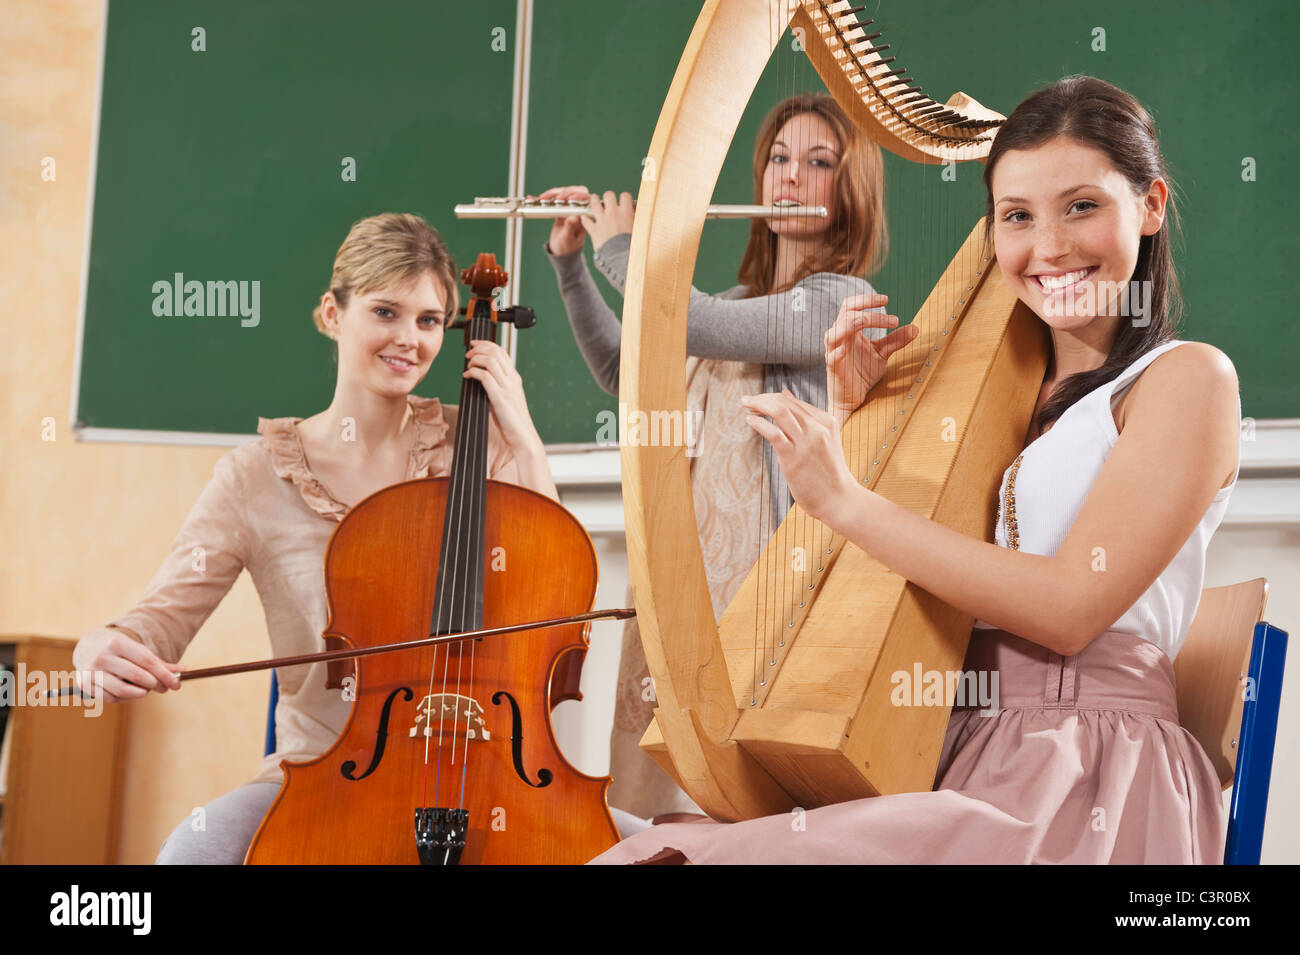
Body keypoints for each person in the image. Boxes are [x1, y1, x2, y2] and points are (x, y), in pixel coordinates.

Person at [590, 75, 1240, 864]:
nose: (1050, 247)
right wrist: (851, 414)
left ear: (1151, 204)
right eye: (1017, 217)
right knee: (655, 848)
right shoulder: (1010, 400)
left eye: (1082, 206)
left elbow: (1071, 606)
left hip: (1083, 771)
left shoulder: (1188, 380)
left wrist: (850, 500)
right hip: (966, 741)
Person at [72, 213, 559, 864]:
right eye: (385, 311)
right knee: (192, 853)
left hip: (484, 769)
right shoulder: (255, 477)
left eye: (428, 319)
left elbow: (555, 593)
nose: (408, 339)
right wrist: (103, 643)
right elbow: (160, 620)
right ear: (332, 313)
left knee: (650, 847)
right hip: (315, 770)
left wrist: (524, 436)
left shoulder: (477, 447)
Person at [541, 93, 914, 825]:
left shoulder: (839, 301)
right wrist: (571, 263)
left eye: (817, 162)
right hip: (688, 589)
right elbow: (626, 368)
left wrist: (626, 246)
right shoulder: (738, 302)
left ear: (850, 191)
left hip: (769, 598)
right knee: (664, 821)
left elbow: (694, 321)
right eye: (778, 157)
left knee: (747, 818)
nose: (789, 177)